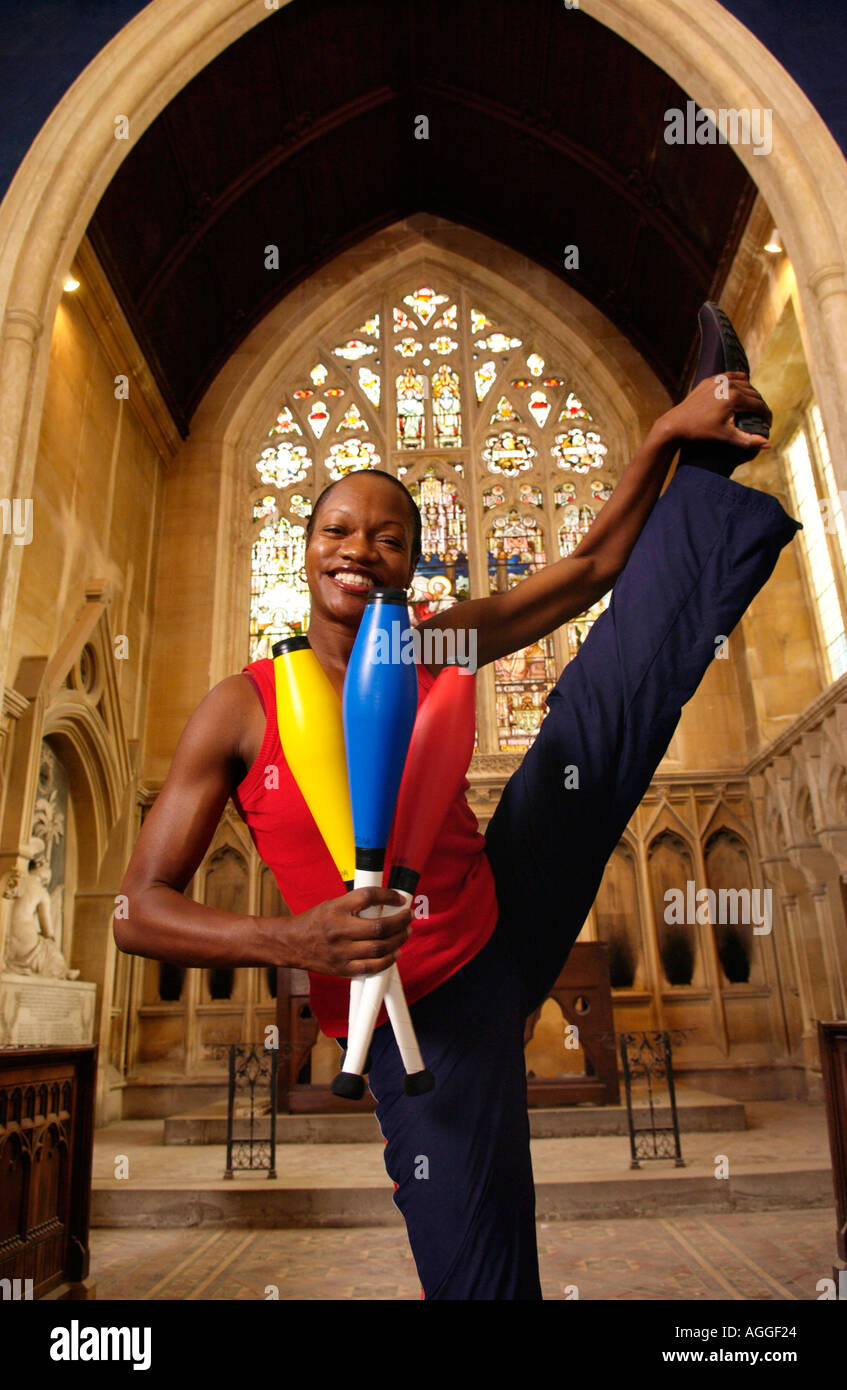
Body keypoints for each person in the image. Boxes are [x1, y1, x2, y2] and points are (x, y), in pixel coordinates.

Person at [116, 304, 801, 1300]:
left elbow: (591, 570)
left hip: (496, 908)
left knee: (594, 716)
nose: (362, 548)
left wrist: (660, 434)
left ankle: (705, 482)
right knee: (478, 1267)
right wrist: (294, 942)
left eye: (389, 537)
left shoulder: (432, 641)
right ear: (303, 549)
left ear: (410, 562)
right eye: (339, 530)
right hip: (415, 1009)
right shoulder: (241, 710)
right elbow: (137, 910)